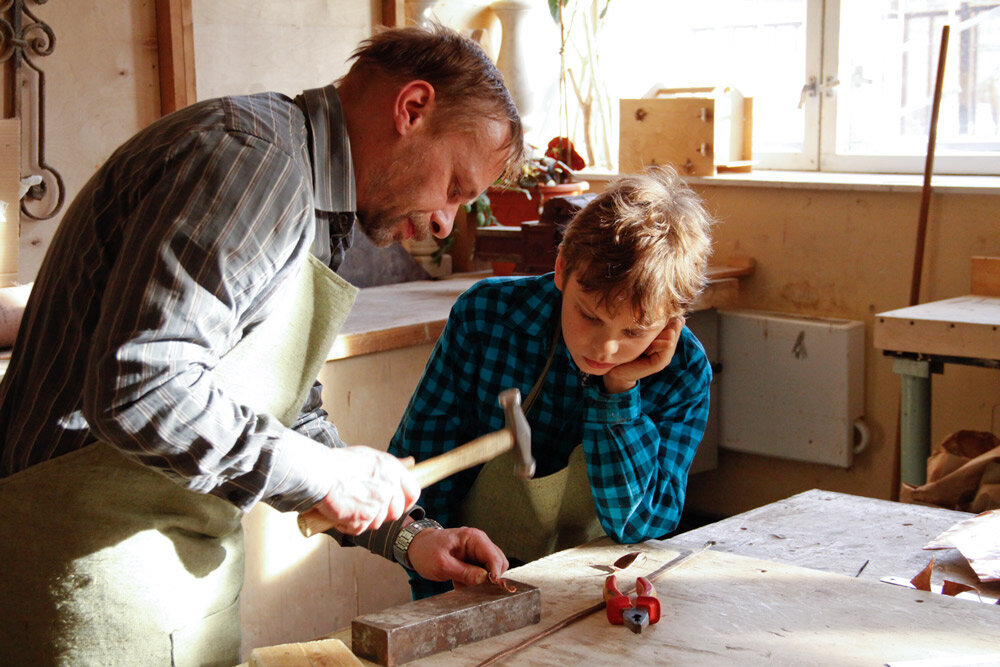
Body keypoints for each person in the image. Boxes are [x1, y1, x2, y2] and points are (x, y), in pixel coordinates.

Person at [0, 24, 524, 664]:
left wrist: (409, 536)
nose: (445, 221)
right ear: (412, 109)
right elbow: (142, 384)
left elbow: (289, 412)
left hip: (171, 575)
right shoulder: (253, 166)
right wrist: (320, 475)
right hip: (89, 572)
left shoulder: (313, 199)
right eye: (455, 187)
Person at [390, 166, 715, 598]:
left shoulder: (685, 369)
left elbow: (642, 524)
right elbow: (419, 479)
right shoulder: (487, 318)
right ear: (562, 268)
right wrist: (442, 587)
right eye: (589, 316)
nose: (606, 348)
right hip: (474, 579)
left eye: (634, 333)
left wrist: (619, 394)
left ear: (673, 318)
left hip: (596, 593)